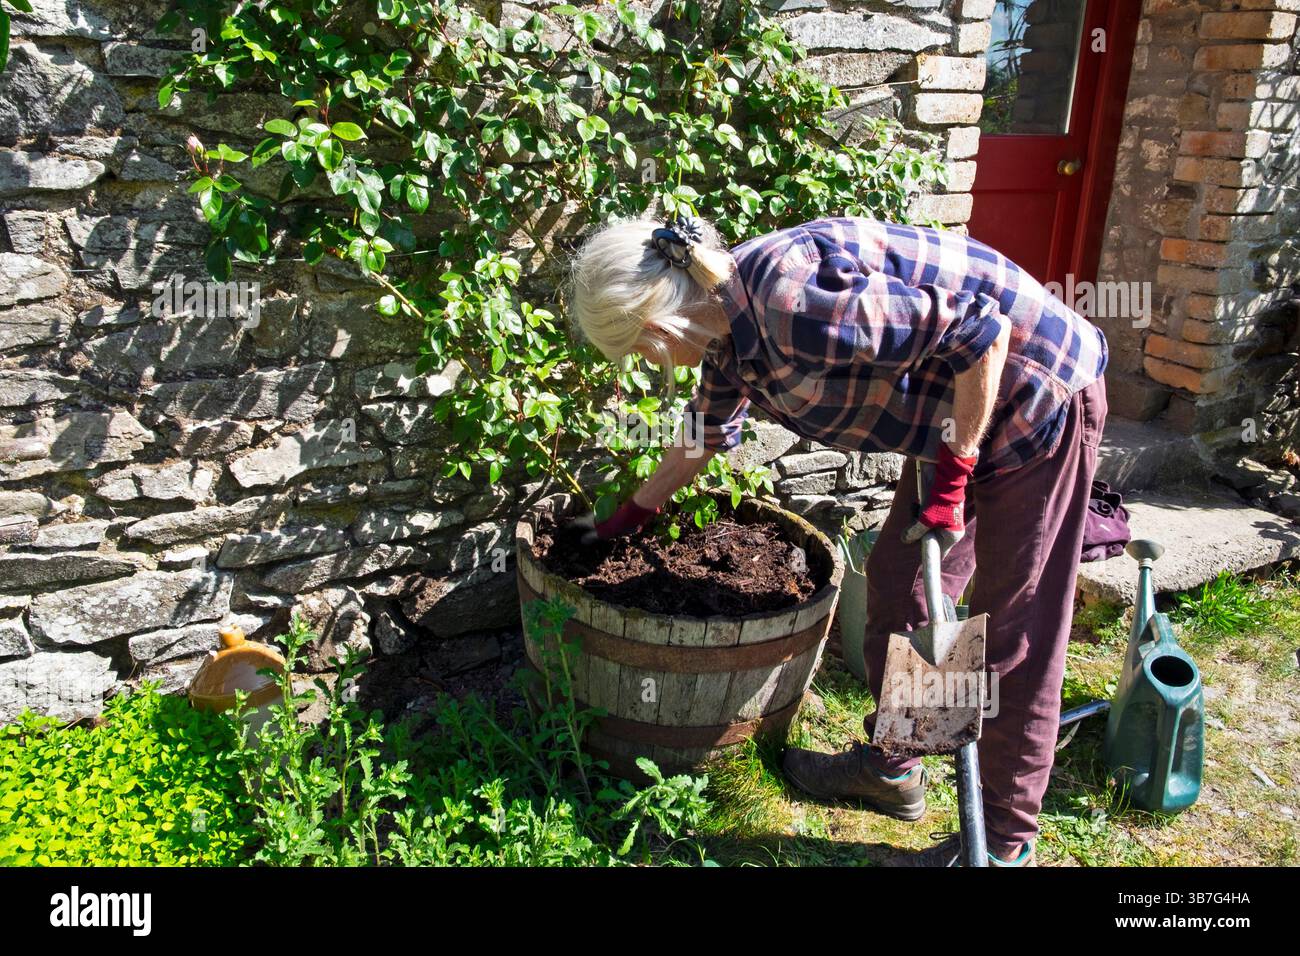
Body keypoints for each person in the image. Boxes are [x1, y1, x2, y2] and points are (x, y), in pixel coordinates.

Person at [568, 212, 1108, 866]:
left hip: (1035, 396)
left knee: (1011, 634)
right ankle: (898, 768)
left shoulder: (791, 307)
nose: (648, 367)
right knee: (901, 586)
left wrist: (954, 476)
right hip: (956, 414)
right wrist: (630, 516)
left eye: (637, 355)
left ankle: (999, 846)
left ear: (656, 329)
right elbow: (703, 434)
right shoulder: (729, 330)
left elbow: (983, 333)